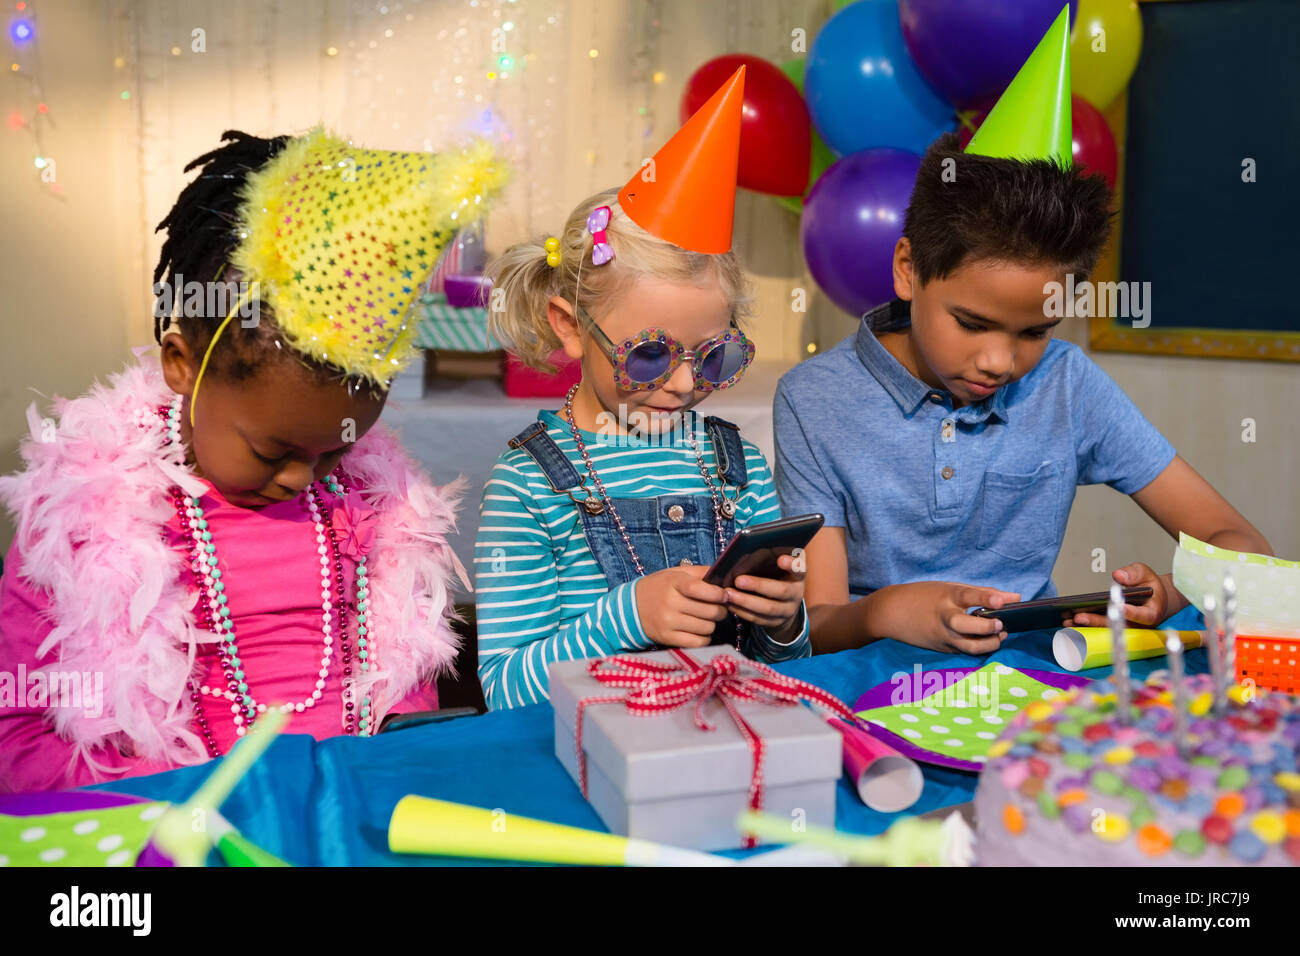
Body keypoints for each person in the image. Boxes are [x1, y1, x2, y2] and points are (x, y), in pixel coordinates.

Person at [0, 128, 508, 791]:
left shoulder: (373, 506)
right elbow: (19, 736)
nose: (303, 476)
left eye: (337, 450)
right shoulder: (80, 518)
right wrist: (168, 795)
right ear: (182, 364)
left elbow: (407, 679)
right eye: (273, 451)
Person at [773, 22, 1270, 655]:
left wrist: (1171, 596)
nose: (999, 361)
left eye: (1036, 330)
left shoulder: (1068, 384)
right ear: (908, 269)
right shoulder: (815, 399)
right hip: (873, 683)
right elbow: (818, 624)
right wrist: (890, 609)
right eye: (972, 324)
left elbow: (1242, 544)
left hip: (1033, 675)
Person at [475, 68, 809, 710]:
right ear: (570, 326)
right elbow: (505, 691)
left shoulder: (738, 467)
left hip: (727, 747)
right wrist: (627, 617)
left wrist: (785, 622)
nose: (685, 384)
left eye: (714, 357)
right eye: (652, 354)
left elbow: (785, 670)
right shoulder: (530, 484)